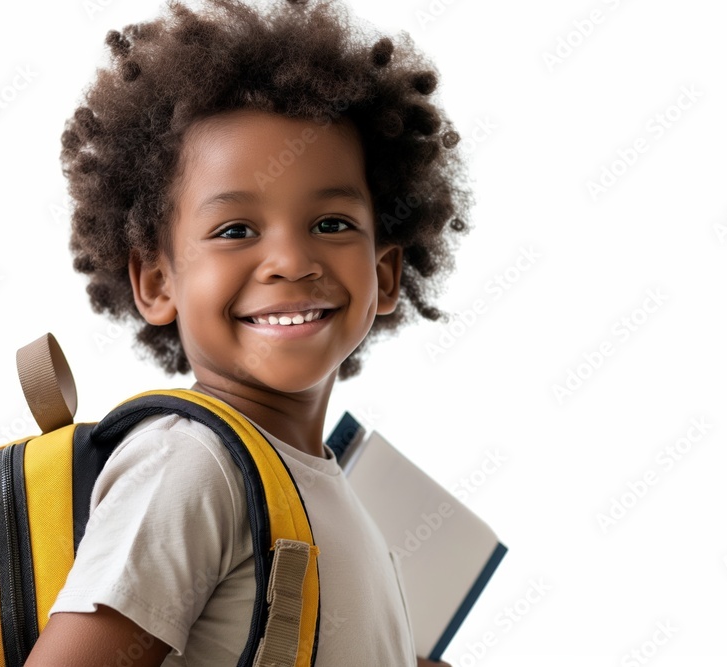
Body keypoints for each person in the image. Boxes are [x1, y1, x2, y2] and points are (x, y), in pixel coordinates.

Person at [25, 0, 471, 664]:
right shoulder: (192, 464)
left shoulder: (325, 493)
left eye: (331, 224)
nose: (290, 260)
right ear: (157, 281)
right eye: (235, 230)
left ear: (384, 274)